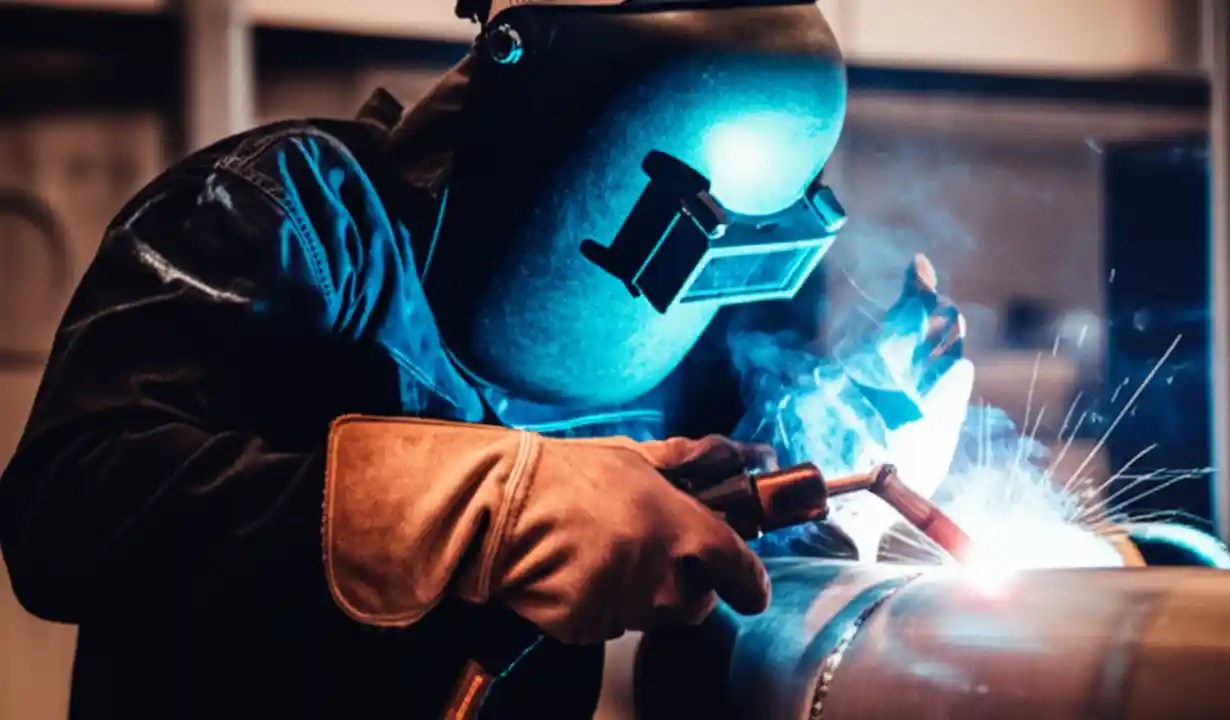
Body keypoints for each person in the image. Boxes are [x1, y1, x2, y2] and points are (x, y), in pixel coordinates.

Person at [0, 1, 856, 716]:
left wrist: (854, 416)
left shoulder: (656, 322)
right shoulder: (301, 213)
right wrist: (483, 509)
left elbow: (733, 510)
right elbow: (70, 509)